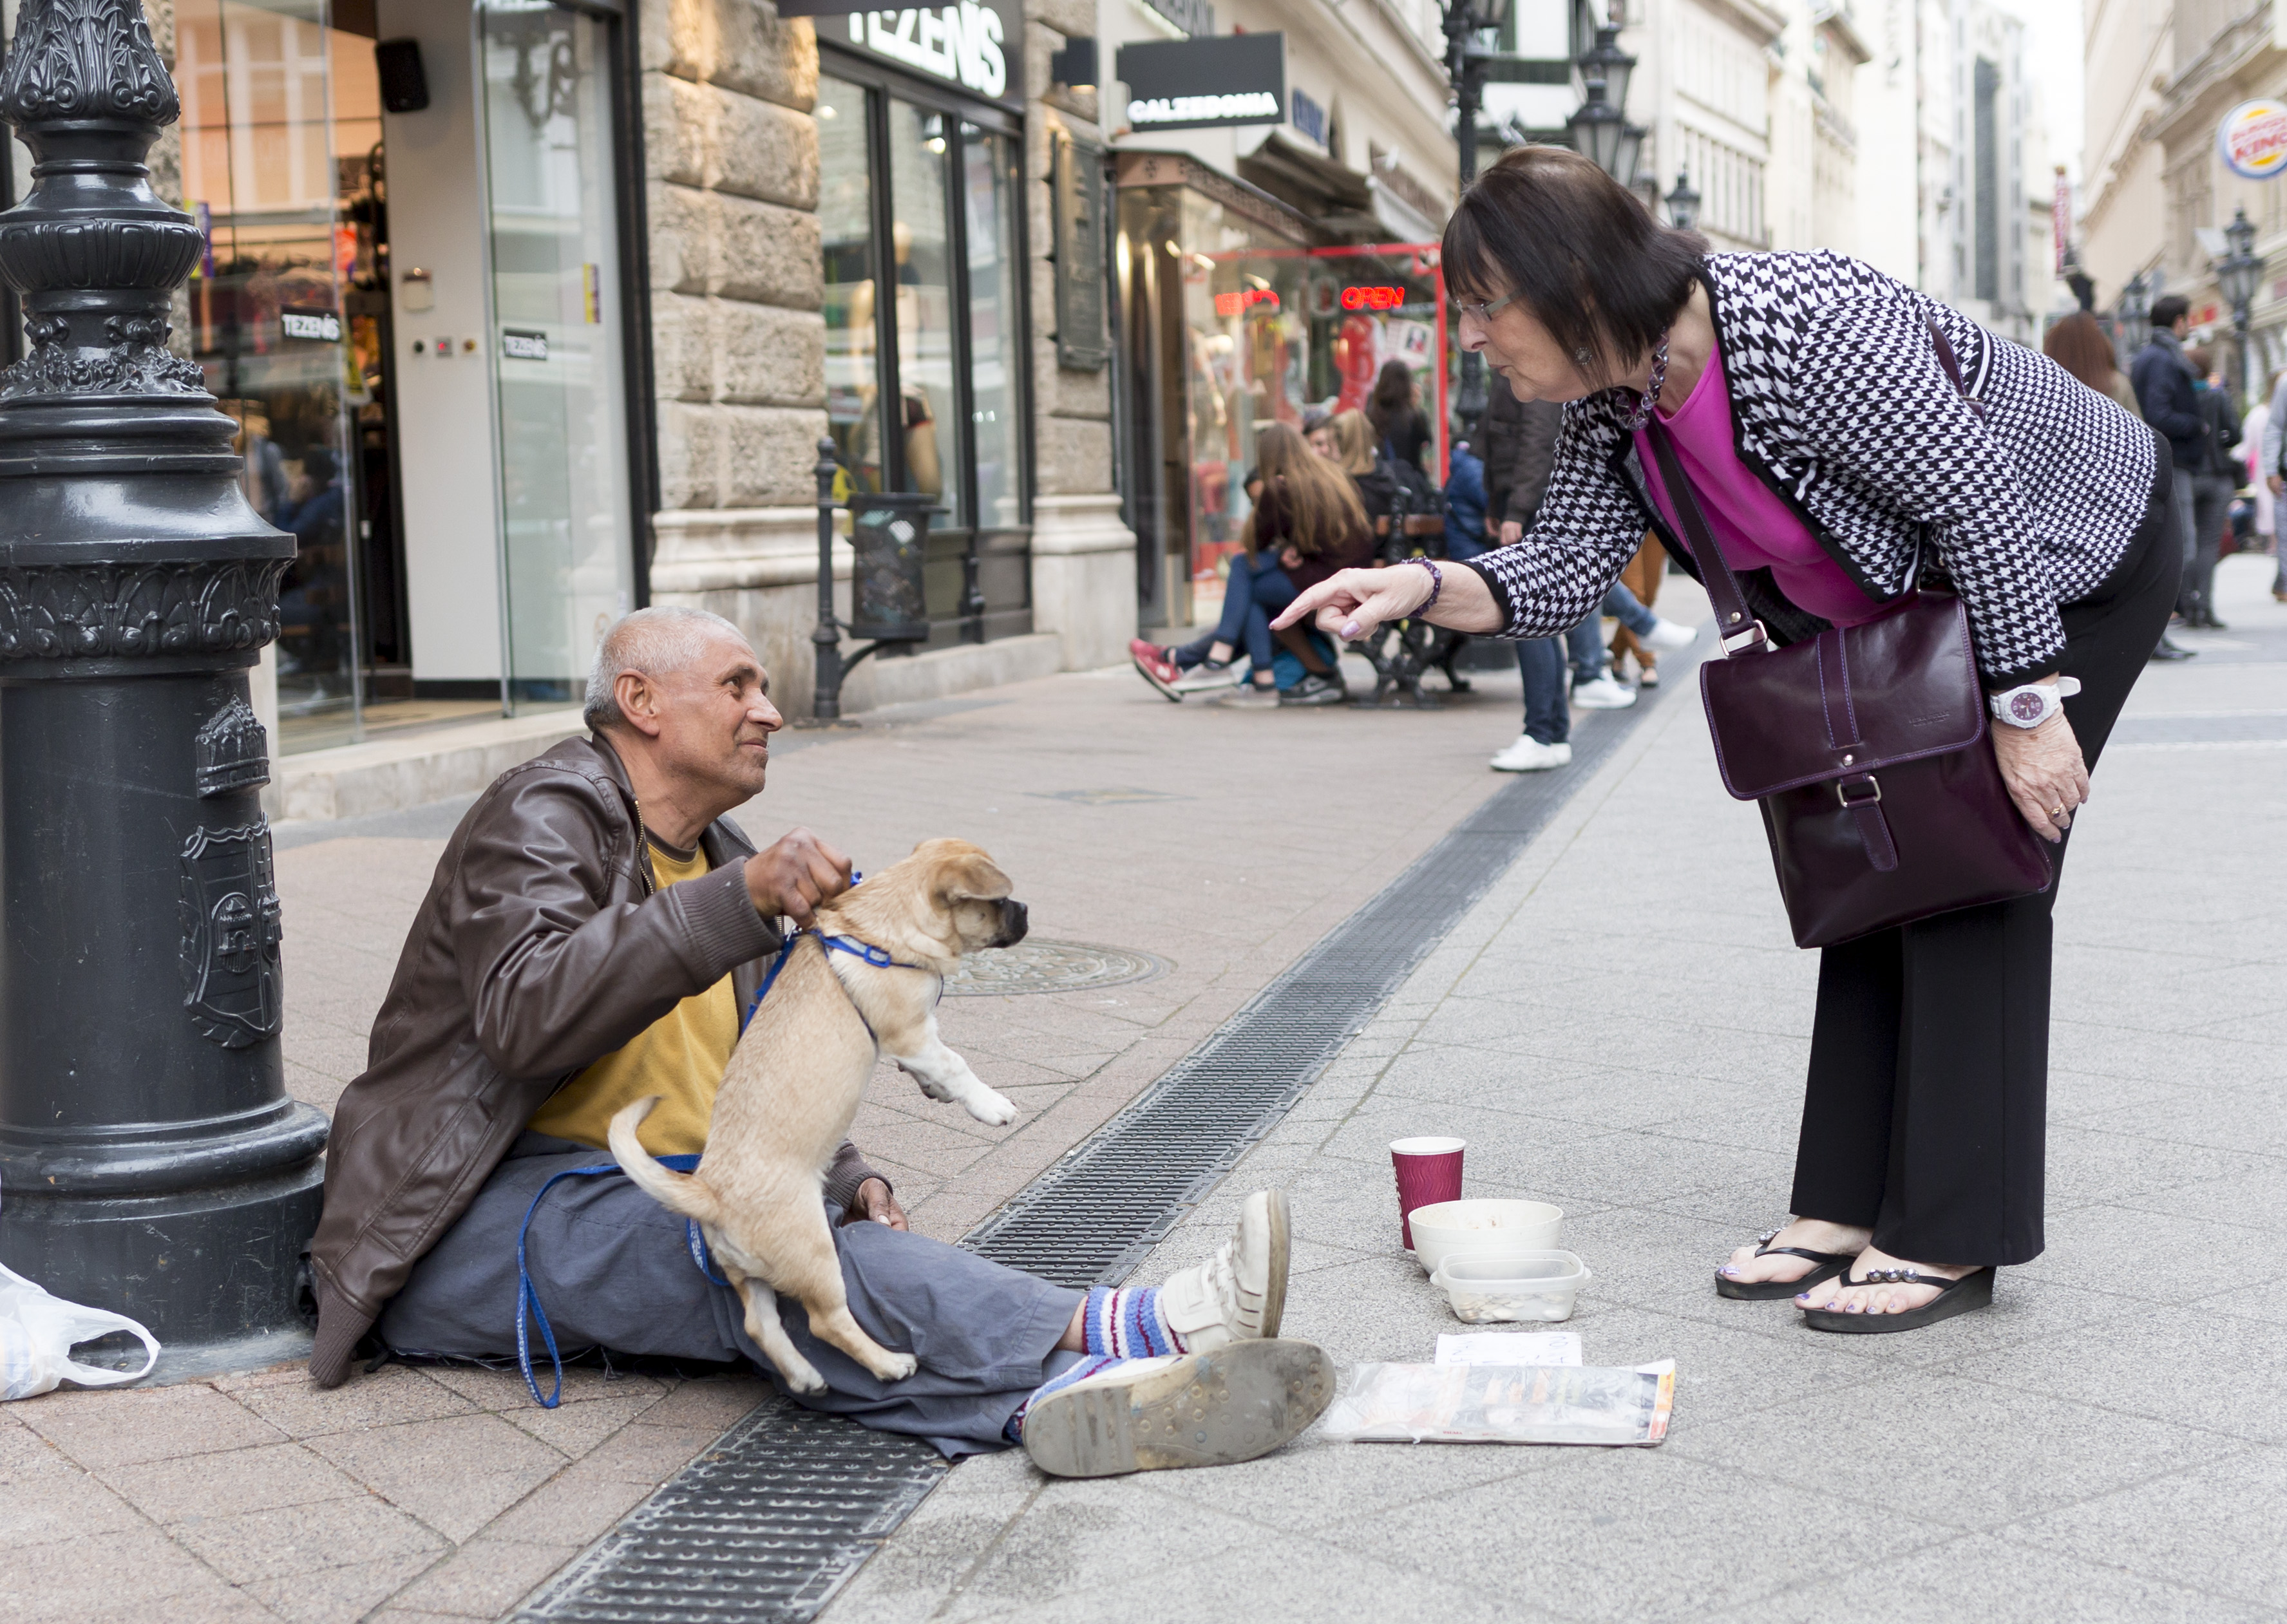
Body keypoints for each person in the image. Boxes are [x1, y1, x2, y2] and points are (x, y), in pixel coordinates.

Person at [1275, 146, 2176, 1329]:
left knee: (1979, 869)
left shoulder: (1809, 327)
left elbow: (1979, 505)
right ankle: (1845, 1204)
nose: (1478, 339)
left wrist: (2024, 712)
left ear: (1578, 285)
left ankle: (1952, 1232)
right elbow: (1559, 570)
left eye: (1489, 309)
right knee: (1881, 871)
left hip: (2070, 559)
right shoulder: (1615, 400)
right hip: (1927, 601)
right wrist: (1423, 584)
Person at [306, 607, 1324, 1473]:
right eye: (737, 685)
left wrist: (842, 1170)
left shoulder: (720, 852)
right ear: (642, 701)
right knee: (746, 1261)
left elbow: (761, 1060)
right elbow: (525, 1016)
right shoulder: (541, 813)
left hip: (648, 1183)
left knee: (807, 1258)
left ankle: (1055, 1403)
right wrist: (731, 902)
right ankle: (1147, 1327)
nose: (770, 710)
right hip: (467, 1216)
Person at [1468, 383, 1691, 770]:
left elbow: (1536, 440)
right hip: (1522, 499)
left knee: (1532, 613)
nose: (1471, 339)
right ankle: (1557, 722)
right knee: (1550, 600)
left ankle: (1546, 731)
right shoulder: (1515, 367)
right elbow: (1498, 437)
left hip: (1533, 501)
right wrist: (1499, 502)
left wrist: (1516, 509)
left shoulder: (1530, 369)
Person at [1130, 422, 1366, 708]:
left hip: (1327, 582)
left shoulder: (1281, 487)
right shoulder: (1331, 477)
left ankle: (1213, 663)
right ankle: (1202, 663)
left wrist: (1264, 510)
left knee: (1246, 573)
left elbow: (1255, 542)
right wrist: (1294, 548)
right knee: (1253, 590)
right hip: (1353, 578)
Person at [2132, 297, 2214, 632]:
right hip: (2173, 459)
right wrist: (2198, 426)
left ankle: (2164, 623)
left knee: (2178, 544)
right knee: (2185, 546)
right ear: (2179, 322)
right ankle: (2162, 622)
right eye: (2188, 321)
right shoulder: (2163, 359)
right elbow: (2159, 414)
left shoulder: (2150, 356)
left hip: (2164, 459)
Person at [2179, 345, 2239, 629]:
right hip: (2218, 475)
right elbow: (2234, 433)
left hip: (2188, 476)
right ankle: (2205, 607)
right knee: (2209, 545)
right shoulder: (2218, 396)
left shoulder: (2181, 397)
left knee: (2186, 543)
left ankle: (2186, 607)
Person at [1366, 359, 1432, 475]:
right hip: (1408, 479)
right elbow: (1426, 442)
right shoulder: (1414, 416)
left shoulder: (1372, 412)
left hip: (1380, 477)